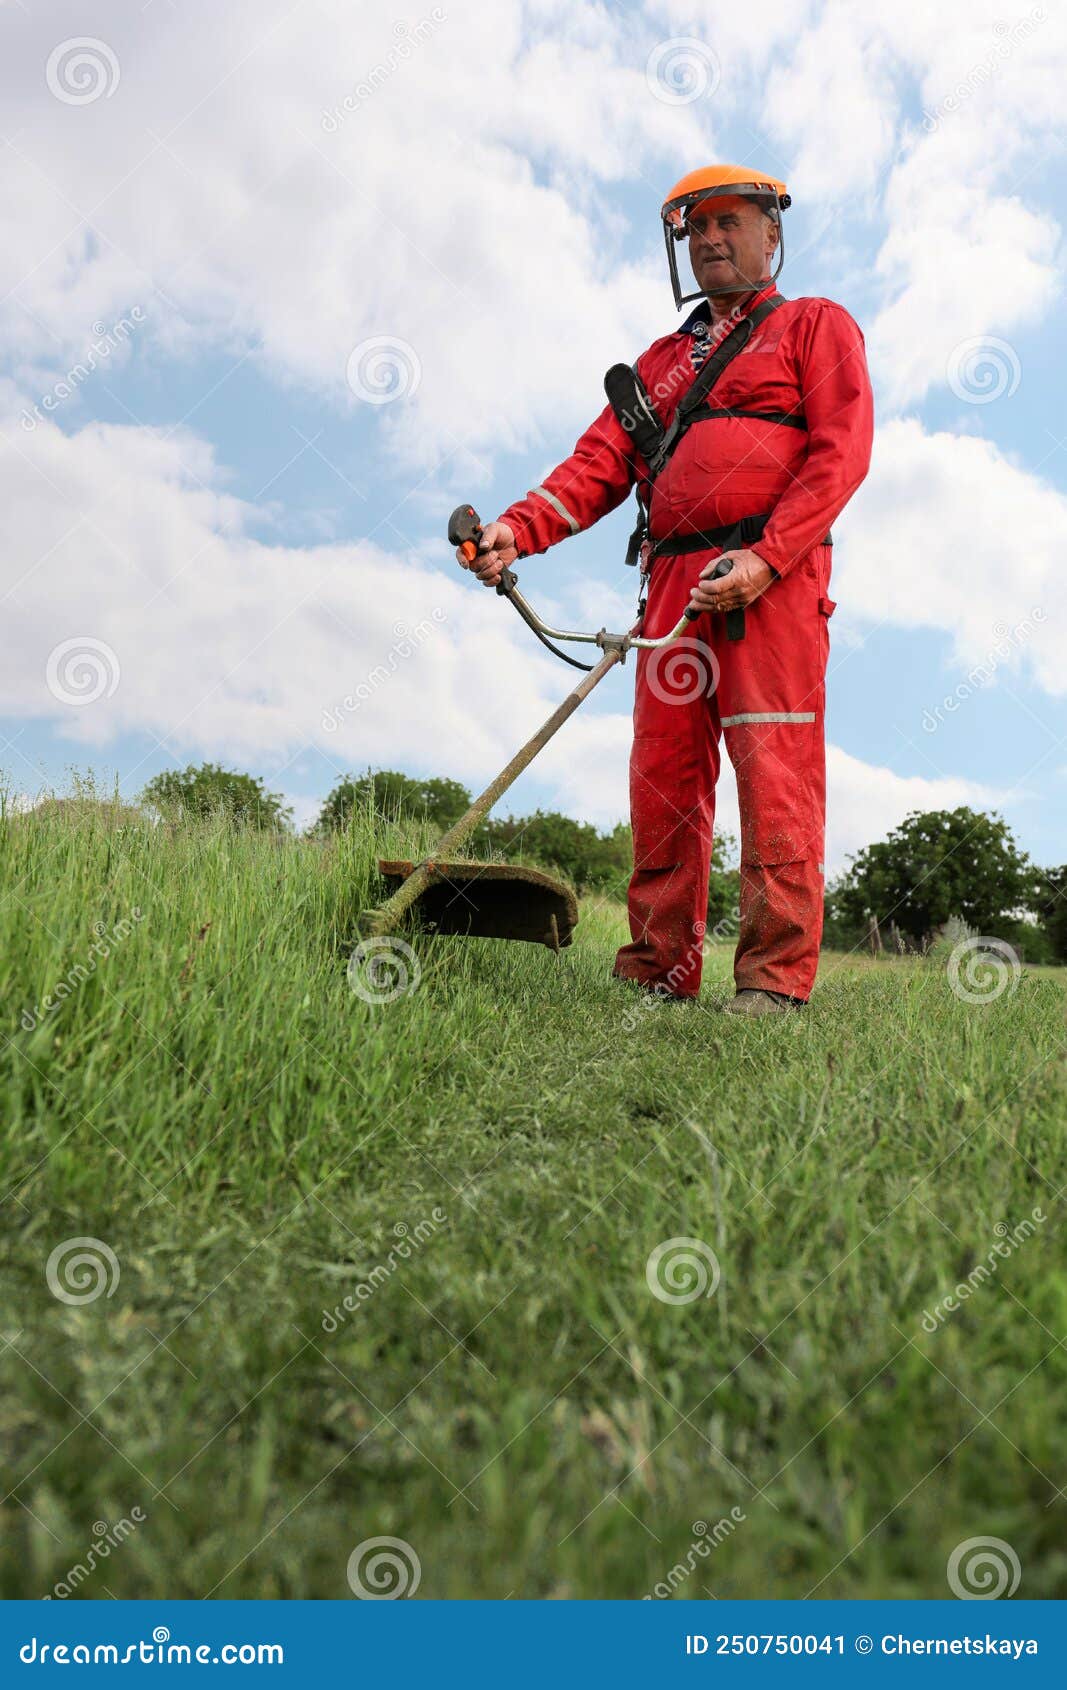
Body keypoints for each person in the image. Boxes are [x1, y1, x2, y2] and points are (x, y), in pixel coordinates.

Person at [455, 165, 874, 1016]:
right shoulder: (658, 362)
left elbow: (841, 453)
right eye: (696, 229)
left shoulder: (813, 326)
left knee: (773, 773)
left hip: (770, 580)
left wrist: (767, 556)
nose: (710, 239)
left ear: (770, 234)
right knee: (663, 775)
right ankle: (657, 971)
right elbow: (595, 466)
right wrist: (513, 530)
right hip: (673, 582)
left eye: (728, 222)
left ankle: (770, 981)